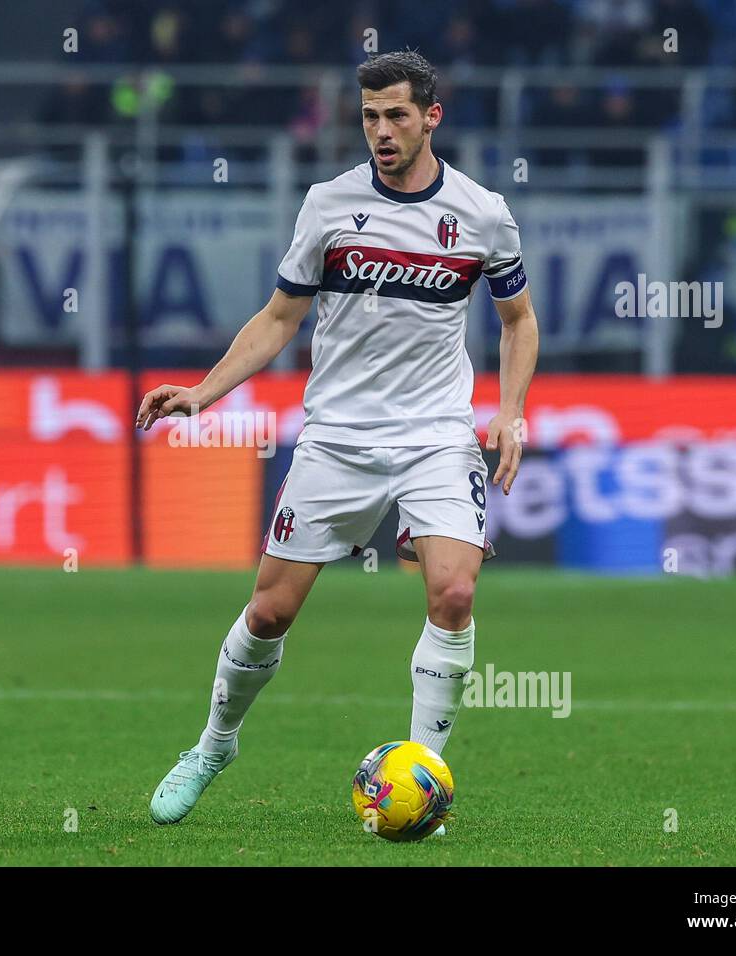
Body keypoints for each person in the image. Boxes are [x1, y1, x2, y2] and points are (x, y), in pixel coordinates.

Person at [136, 50, 540, 825]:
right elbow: (280, 318)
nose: (381, 131)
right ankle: (215, 743)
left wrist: (510, 409)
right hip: (338, 440)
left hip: (437, 435)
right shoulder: (329, 205)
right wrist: (204, 392)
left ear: (431, 116)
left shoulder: (482, 213)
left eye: (395, 115)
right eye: (368, 117)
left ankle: (426, 777)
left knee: (454, 594)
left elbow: (518, 321)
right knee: (270, 613)